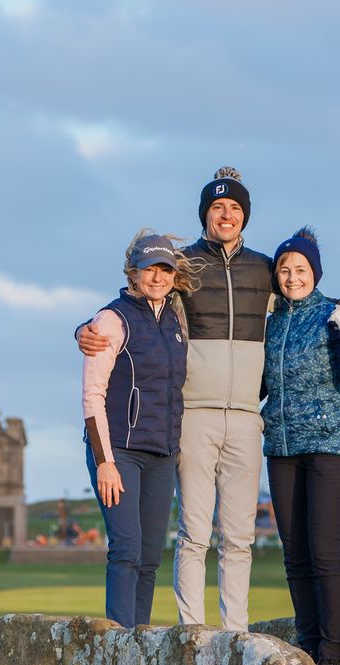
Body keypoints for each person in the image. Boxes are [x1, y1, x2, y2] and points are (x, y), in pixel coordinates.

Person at [78, 167, 277, 632]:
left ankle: (237, 635)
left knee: (237, 539)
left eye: (234, 208)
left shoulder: (265, 269)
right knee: (191, 536)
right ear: (205, 213)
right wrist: (85, 330)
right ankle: (192, 634)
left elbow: (299, 294)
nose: (225, 215)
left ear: (244, 216)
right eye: (216, 207)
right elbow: (126, 313)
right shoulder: (182, 265)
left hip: (243, 417)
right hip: (190, 419)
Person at [260, 227, 340, 665]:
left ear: (314, 273)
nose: (291, 277)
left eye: (300, 269)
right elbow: (259, 385)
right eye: (284, 270)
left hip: (328, 448)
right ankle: (307, 646)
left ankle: (332, 656)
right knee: (294, 554)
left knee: (324, 552)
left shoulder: (334, 314)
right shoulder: (271, 323)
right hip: (282, 448)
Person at [81, 231, 197, 628]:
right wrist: (105, 462)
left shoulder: (175, 320)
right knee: (126, 550)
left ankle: (141, 645)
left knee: (150, 557)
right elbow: (92, 396)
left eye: (166, 269)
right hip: (120, 453)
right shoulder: (111, 319)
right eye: (151, 268)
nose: (159, 276)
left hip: (162, 455)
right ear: (133, 272)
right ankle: (118, 648)